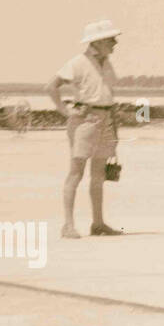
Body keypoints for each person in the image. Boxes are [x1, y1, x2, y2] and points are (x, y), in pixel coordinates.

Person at [47, 20, 124, 238]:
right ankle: (68, 225)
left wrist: (115, 132)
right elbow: (51, 86)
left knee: (98, 175)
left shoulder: (107, 63)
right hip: (85, 121)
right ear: (97, 42)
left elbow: (109, 98)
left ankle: (98, 224)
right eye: (111, 39)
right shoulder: (77, 63)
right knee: (76, 173)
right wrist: (64, 111)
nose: (115, 43)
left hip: (106, 119)